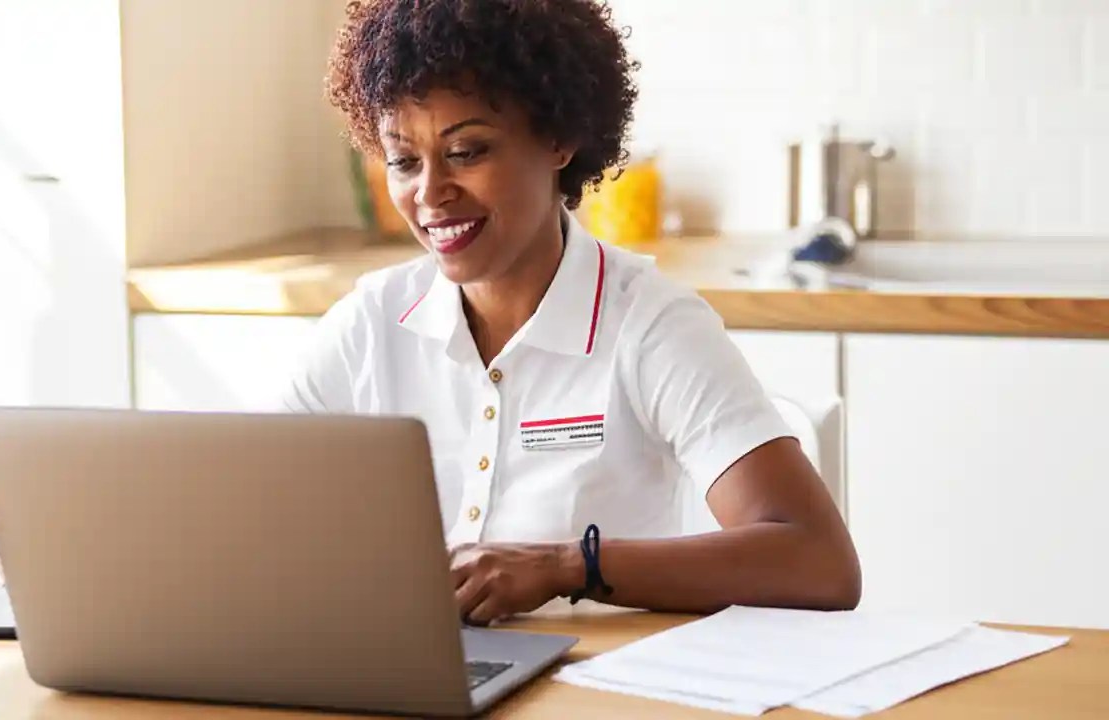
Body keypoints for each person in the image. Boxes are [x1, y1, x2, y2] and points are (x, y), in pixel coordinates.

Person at [284, 0, 861, 625]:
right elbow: (251, 517)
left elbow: (818, 560)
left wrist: (568, 566)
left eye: (468, 150)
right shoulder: (368, 325)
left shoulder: (649, 323)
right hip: (407, 674)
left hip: (597, 686)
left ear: (559, 138)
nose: (429, 193)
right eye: (403, 160)